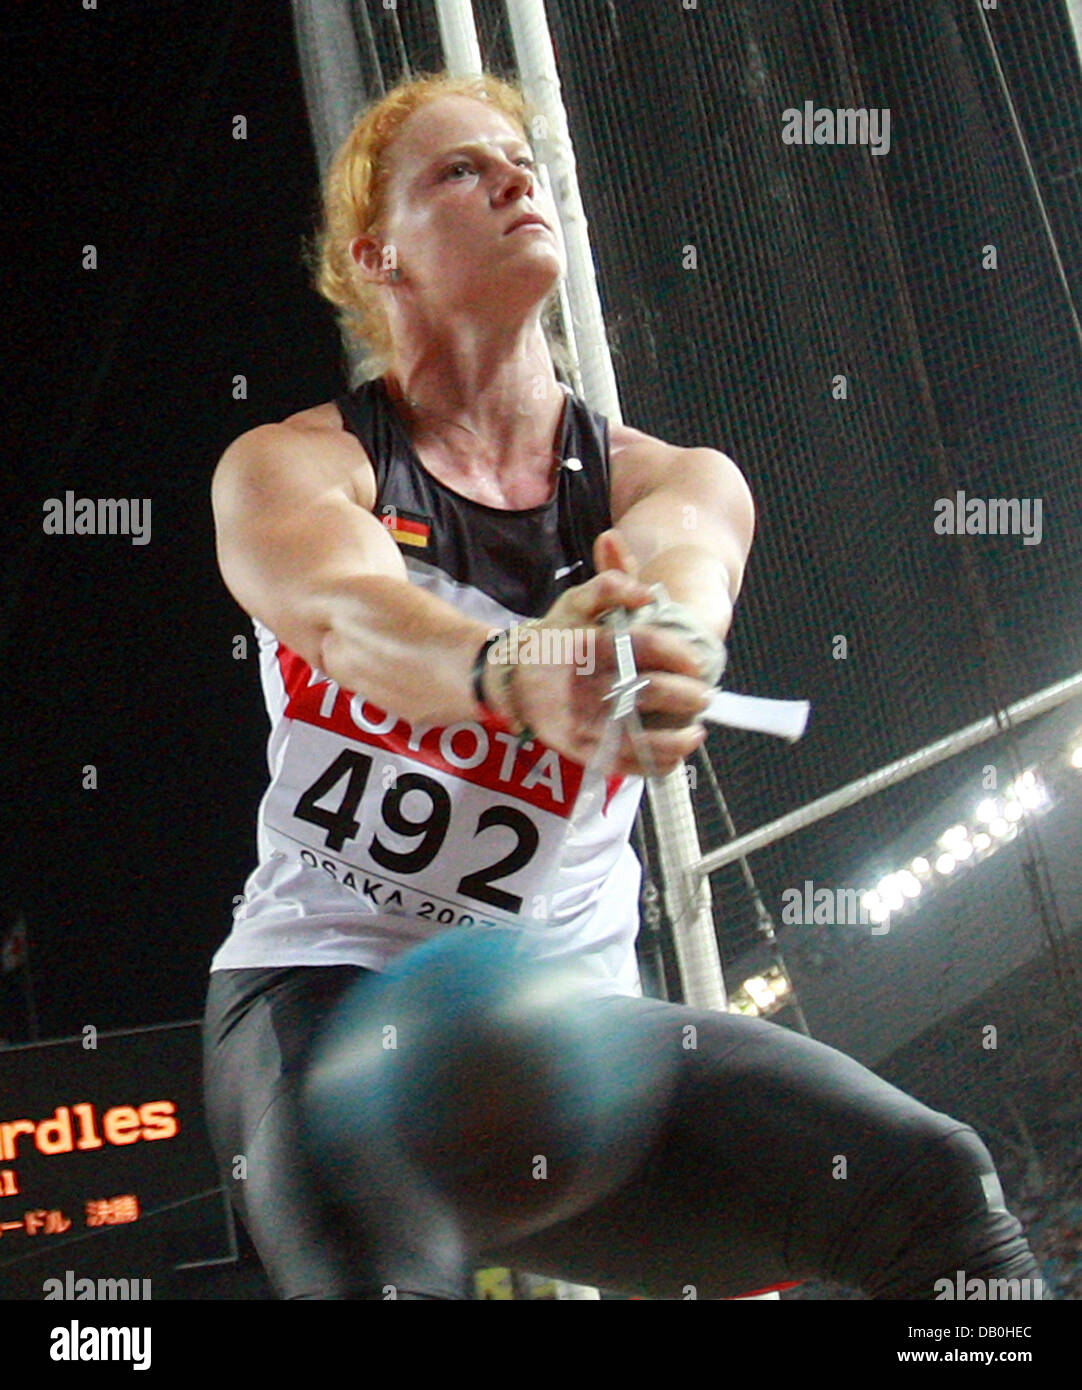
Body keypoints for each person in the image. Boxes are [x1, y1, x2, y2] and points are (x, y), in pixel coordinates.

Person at [201, 70, 1046, 1301]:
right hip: (322, 992)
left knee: (934, 1189)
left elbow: (681, 577)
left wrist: (656, 641)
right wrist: (509, 670)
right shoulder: (292, 467)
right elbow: (346, 616)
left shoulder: (671, 480)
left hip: (569, 1035)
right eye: (459, 170)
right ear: (378, 257)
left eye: (519, 159)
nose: (512, 177)